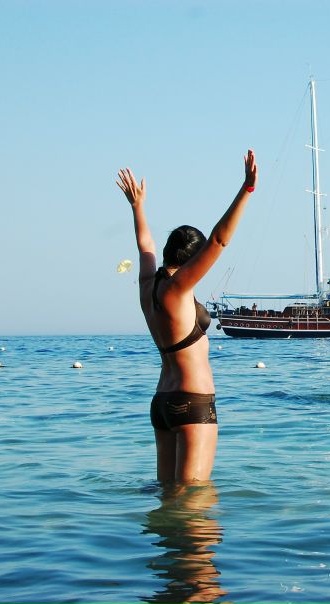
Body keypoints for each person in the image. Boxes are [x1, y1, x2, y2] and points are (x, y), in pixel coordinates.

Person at [116, 150, 257, 482]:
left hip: (162, 403)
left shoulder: (147, 284)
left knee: (167, 494)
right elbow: (219, 239)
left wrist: (137, 206)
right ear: (193, 261)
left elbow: (145, 245)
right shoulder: (178, 288)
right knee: (193, 499)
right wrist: (247, 189)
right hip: (192, 402)